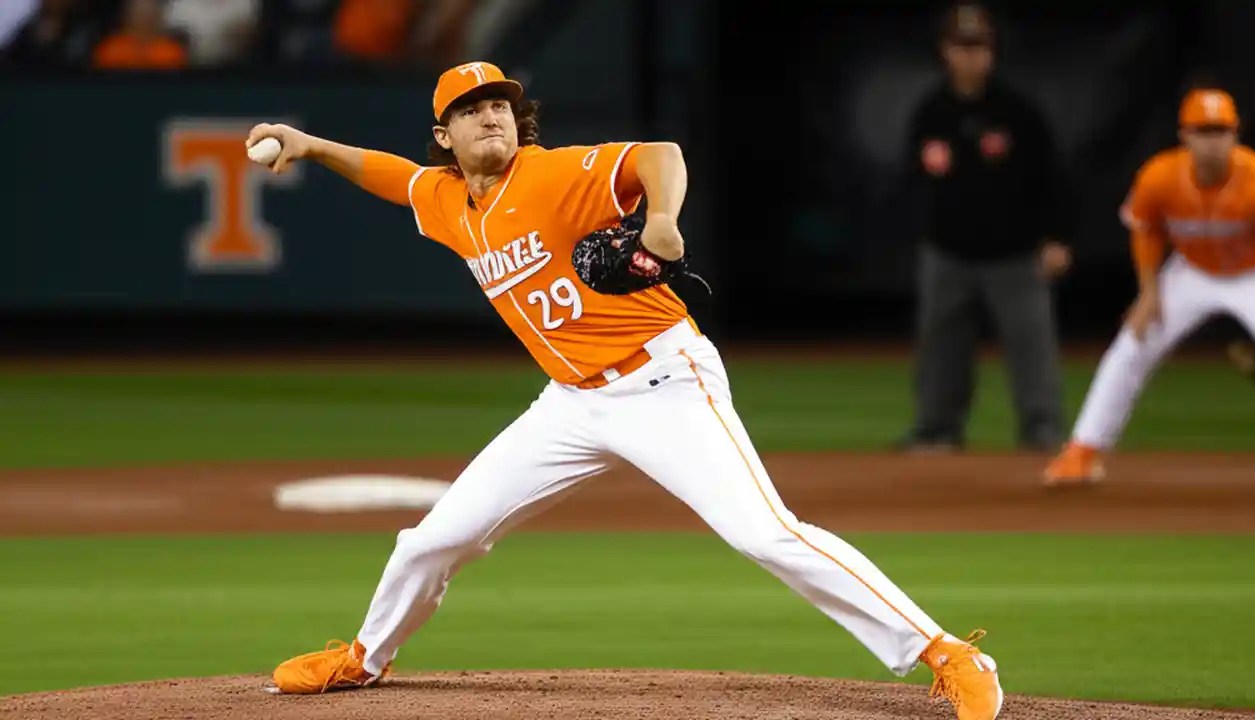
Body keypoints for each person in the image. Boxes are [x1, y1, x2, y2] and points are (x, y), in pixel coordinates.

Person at [250, 61, 1004, 719]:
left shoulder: (549, 172)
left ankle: (946, 653)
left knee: (763, 532)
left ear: (518, 121)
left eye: (499, 105)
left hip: (664, 380)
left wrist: (664, 220)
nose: (489, 114)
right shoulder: (449, 201)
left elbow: (659, 155)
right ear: (444, 136)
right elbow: (390, 174)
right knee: (434, 540)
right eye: (469, 109)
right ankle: (366, 657)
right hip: (571, 405)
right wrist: (311, 145)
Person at [1044, 88, 1255, 486]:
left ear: (1236, 134)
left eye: (1220, 131)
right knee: (1131, 345)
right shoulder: (1160, 176)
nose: (1212, 141)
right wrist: (1148, 292)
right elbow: (1146, 229)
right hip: (1191, 272)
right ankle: (1082, 452)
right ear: (1184, 136)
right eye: (1202, 131)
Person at [898, 1, 1072, 453]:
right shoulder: (931, 111)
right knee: (941, 350)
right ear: (945, 51)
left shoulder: (1017, 111)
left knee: (1032, 349)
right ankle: (937, 430)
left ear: (992, 52)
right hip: (948, 252)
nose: (970, 56)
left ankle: (1042, 431)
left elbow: (1051, 176)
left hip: (1014, 253)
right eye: (962, 46)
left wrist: (1056, 237)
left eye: (979, 46)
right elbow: (910, 178)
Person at [91, 0, 187, 70]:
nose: (145, 19)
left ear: (158, 16)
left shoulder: (172, 51)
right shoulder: (111, 49)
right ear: (127, 16)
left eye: (149, 13)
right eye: (140, 13)